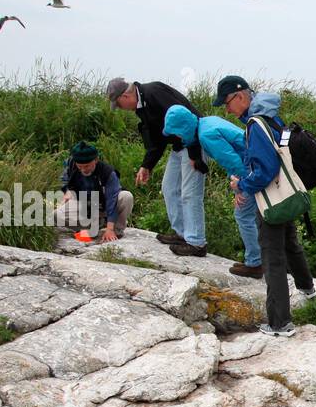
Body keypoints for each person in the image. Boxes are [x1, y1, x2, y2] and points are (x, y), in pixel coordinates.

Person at [214, 75, 316, 337]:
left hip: (271, 197)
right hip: (287, 194)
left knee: (272, 257)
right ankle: (308, 289)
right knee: (290, 242)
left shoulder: (255, 124)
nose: (227, 110)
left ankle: (279, 323)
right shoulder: (271, 117)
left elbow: (266, 169)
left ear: (240, 96)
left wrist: (242, 185)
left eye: (227, 103)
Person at [106, 77, 208, 256]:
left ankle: (196, 243)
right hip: (179, 146)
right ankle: (182, 234)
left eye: (118, 104)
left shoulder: (154, 93)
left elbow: (188, 121)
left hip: (194, 142)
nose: (121, 109)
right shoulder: (141, 106)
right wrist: (147, 166)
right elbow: (158, 139)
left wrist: (194, 153)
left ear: (125, 95)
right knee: (169, 188)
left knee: (190, 193)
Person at [161, 104, 262, 278]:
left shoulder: (206, 135)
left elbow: (233, 161)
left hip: (251, 169)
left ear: (184, 128)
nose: (176, 136)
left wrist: (241, 187)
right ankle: (259, 260)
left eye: (177, 132)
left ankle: (255, 264)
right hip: (256, 164)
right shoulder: (206, 122)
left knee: (243, 215)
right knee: (254, 215)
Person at [52, 140, 133, 242]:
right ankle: (90, 228)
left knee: (126, 196)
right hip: (85, 205)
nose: (83, 170)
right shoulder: (72, 164)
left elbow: (112, 202)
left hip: (105, 205)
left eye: (87, 166)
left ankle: (116, 230)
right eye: (80, 166)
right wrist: (67, 191)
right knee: (56, 215)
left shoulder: (108, 172)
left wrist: (110, 228)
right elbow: (64, 180)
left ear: (96, 160)